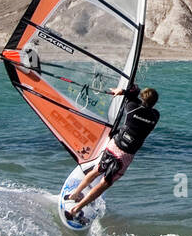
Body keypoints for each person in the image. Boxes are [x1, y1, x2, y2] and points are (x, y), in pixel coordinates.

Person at [64, 83, 160, 221]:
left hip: (114, 146)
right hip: (125, 156)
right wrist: (126, 93)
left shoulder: (132, 107)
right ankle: (75, 209)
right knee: (104, 183)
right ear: (155, 102)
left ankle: (75, 194)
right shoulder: (155, 116)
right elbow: (138, 97)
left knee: (97, 170)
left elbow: (133, 91)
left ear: (142, 97)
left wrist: (121, 91)